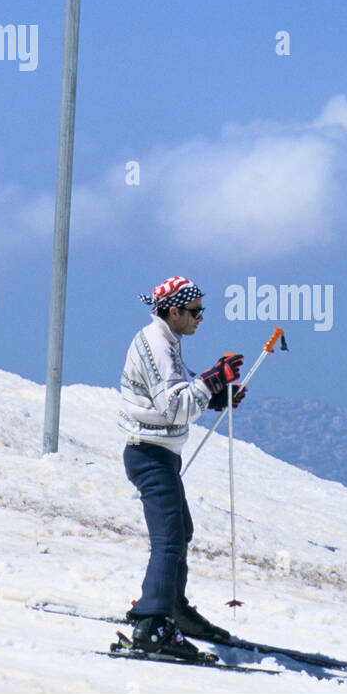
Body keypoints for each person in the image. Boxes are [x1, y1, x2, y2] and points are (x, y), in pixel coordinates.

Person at [118, 275, 247, 660]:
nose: (200, 319)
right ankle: (153, 622)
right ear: (172, 311)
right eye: (194, 312)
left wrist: (212, 396)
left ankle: (170, 607)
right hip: (150, 453)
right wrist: (210, 382)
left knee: (179, 530)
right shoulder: (157, 344)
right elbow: (173, 407)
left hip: (157, 451)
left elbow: (173, 398)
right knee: (170, 538)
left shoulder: (166, 341)